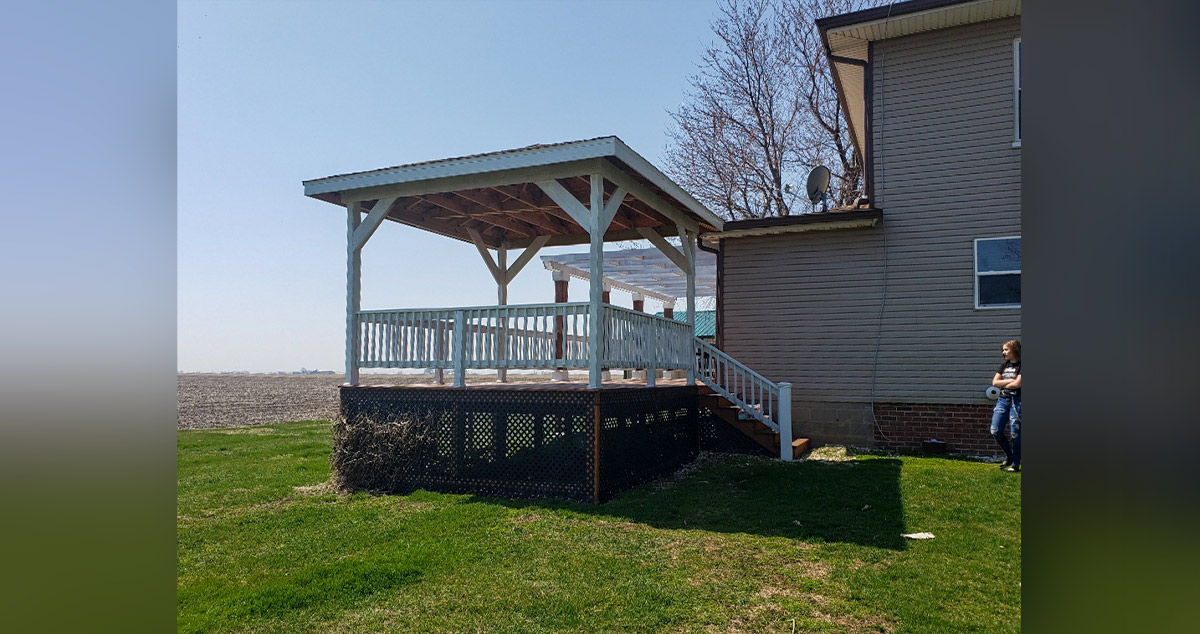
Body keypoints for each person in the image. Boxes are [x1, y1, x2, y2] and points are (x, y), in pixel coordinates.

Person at [991, 339, 1021, 472]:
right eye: (1003, 350)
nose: (1003, 352)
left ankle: (1016, 464)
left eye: (1006, 349)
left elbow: (1017, 385)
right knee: (995, 430)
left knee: (1015, 432)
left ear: (1014, 350)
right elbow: (994, 383)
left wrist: (1003, 383)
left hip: (1017, 400)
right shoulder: (1004, 366)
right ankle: (1009, 456)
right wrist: (1009, 380)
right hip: (1002, 400)